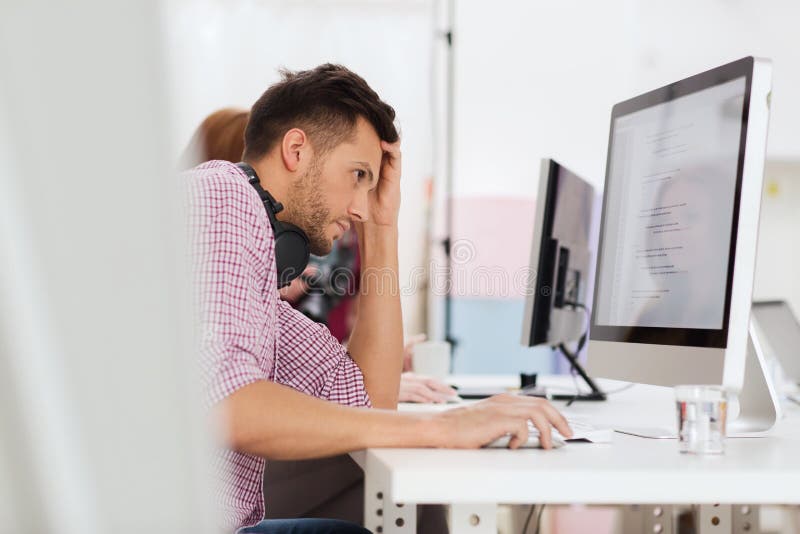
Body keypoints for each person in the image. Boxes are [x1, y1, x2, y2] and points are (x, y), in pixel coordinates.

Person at [184, 64, 572, 534]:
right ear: (296, 149)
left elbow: (368, 399)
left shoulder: (258, 280)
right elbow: (229, 406)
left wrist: (382, 229)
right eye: (358, 175)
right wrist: (442, 428)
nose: (359, 208)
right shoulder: (224, 194)